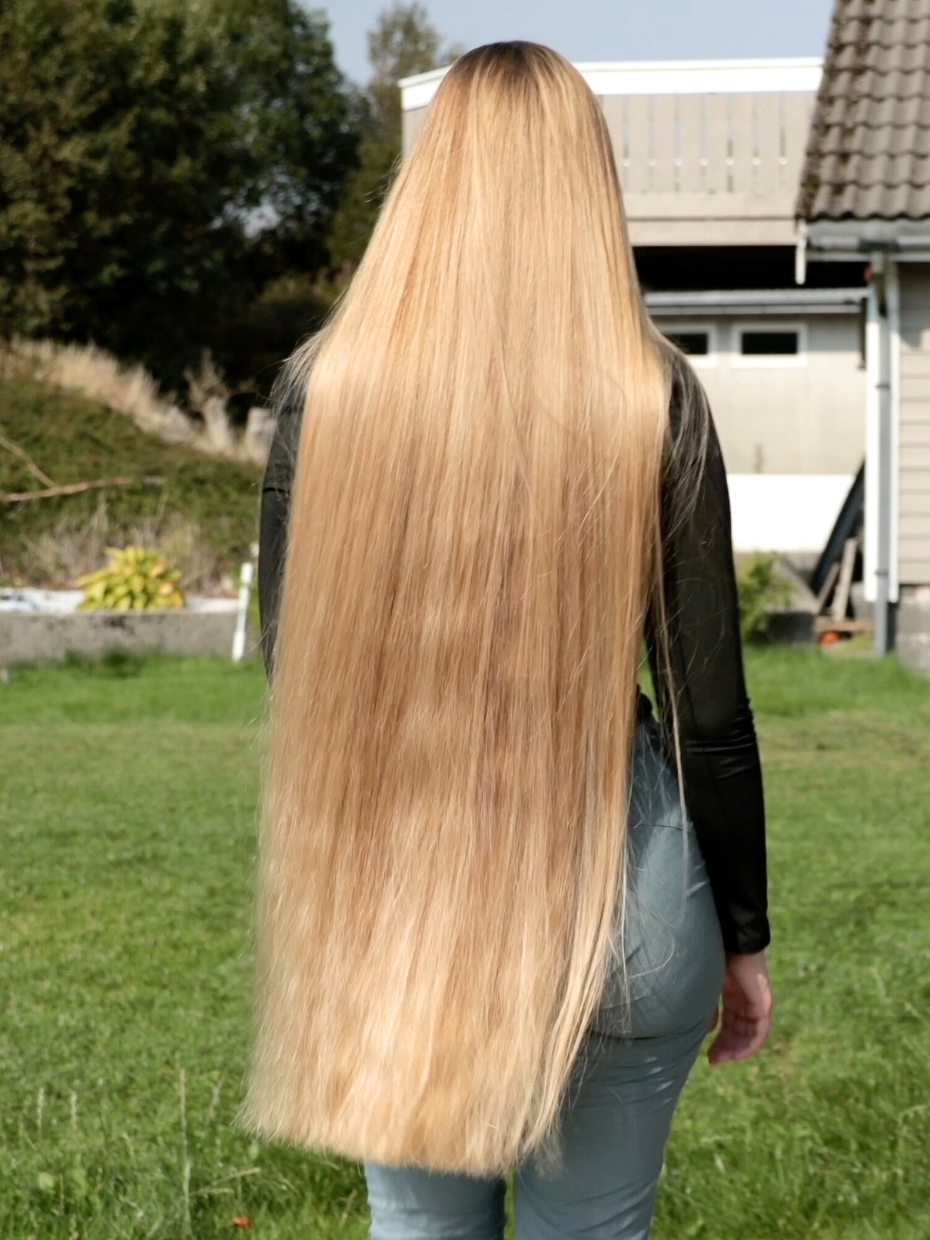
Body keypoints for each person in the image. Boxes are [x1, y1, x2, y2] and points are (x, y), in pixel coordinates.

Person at [245, 41, 773, 1240]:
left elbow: (296, 664)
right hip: (629, 907)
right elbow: (708, 715)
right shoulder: (650, 395)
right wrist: (742, 937)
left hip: (403, 895)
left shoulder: (330, 394)